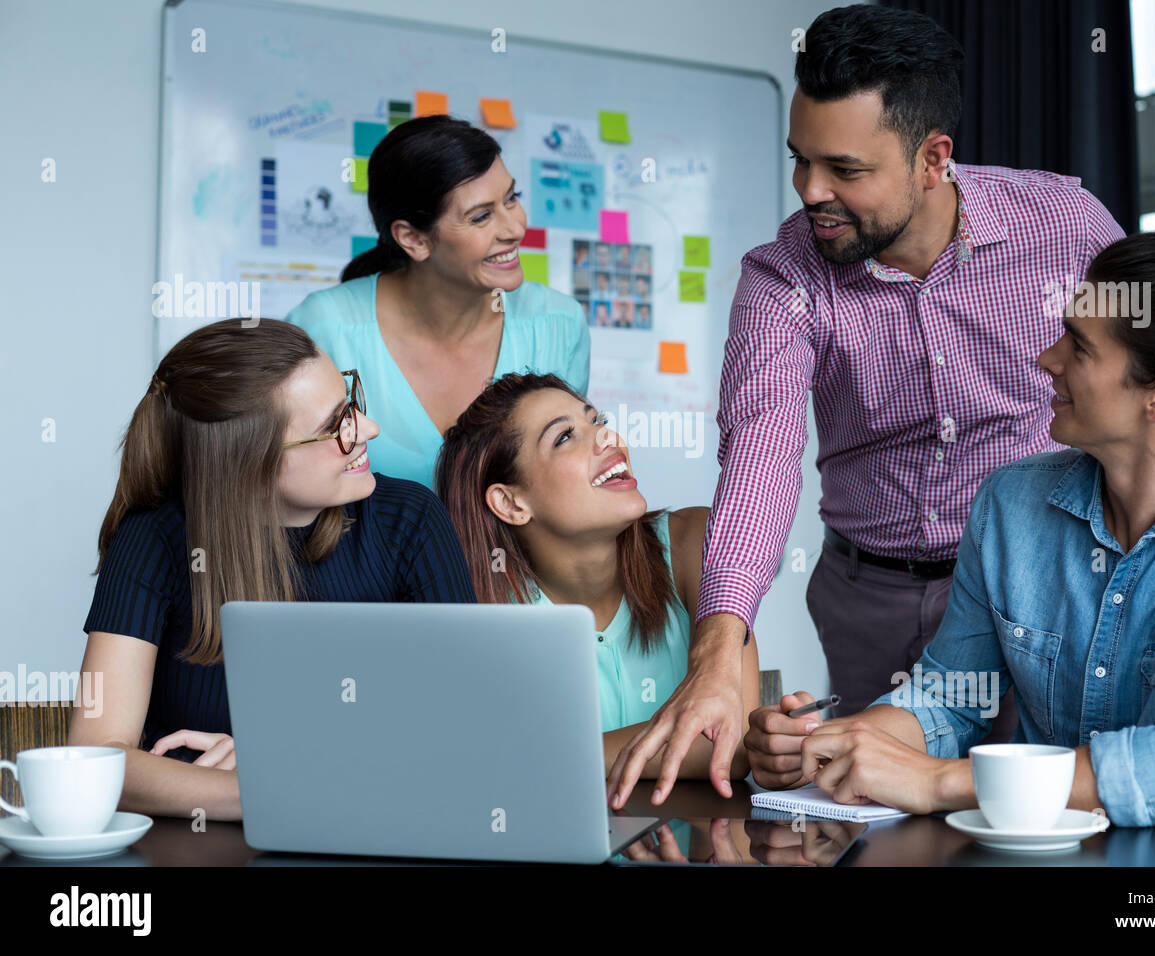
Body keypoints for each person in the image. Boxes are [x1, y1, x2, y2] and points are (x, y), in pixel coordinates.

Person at [608, 3, 1126, 810]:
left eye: (845, 170)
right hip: (878, 595)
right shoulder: (782, 277)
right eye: (800, 161)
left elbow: (1153, 373)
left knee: (1050, 811)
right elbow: (760, 455)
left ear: (932, 159)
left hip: (1046, 580)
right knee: (894, 825)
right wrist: (716, 654)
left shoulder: (1062, 225)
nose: (812, 192)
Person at [745, 230, 1155, 829]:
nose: (1046, 359)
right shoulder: (1011, 504)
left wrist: (943, 783)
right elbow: (953, 697)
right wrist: (842, 743)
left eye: (1080, 348)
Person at [67, 319, 475, 821]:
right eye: (334, 427)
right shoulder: (154, 538)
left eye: (351, 405)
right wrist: (264, 789)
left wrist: (284, 763)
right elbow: (96, 758)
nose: (367, 430)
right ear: (248, 465)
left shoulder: (410, 519)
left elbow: (464, 726)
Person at [435, 373, 760, 788]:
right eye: (566, 436)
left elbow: (731, 748)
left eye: (597, 420)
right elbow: (479, 766)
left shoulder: (699, 542)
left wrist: (546, 754)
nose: (608, 437)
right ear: (511, 502)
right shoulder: (484, 609)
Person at [286, 115, 590, 489]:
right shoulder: (323, 330)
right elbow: (292, 490)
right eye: (481, 217)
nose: (514, 228)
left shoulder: (558, 325)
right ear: (413, 239)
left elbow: (567, 486)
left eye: (512, 199)